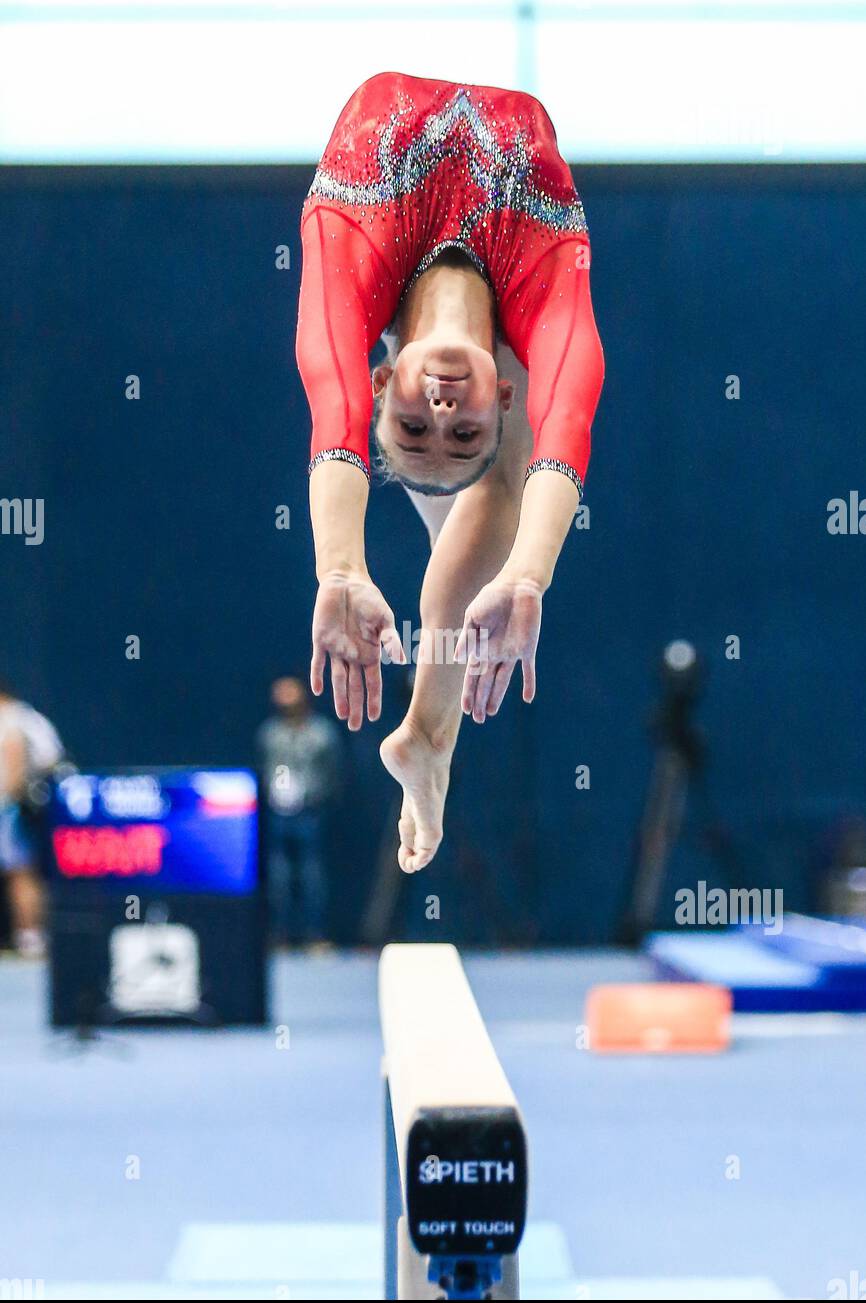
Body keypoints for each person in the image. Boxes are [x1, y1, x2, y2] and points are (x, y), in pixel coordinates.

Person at [297, 72, 605, 873]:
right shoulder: (545, 296)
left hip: (383, 180)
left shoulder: (349, 252)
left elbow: (332, 421)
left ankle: (431, 730)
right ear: (505, 392)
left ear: (380, 382)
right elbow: (563, 431)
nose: (441, 407)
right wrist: (530, 579)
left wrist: (341, 568)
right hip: (512, 265)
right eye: (463, 428)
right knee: (504, 492)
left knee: (485, 501)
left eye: (410, 425)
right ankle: (431, 737)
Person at [256, 676, 342, 945]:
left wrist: (316, 797)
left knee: (311, 875)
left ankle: (314, 934)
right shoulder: (269, 734)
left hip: (309, 812)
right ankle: (279, 934)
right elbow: (264, 766)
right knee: (278, 876)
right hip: (277, 811)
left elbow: (333, 771)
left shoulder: (322, 733)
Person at [0, 681, 63, 958]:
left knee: (20, 871)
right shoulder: (26, 716)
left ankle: (31, 937)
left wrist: (9, 801)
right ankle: (30, 937)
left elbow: (15, 769)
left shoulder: (11, 717)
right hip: (15, 807)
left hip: (10, 809)